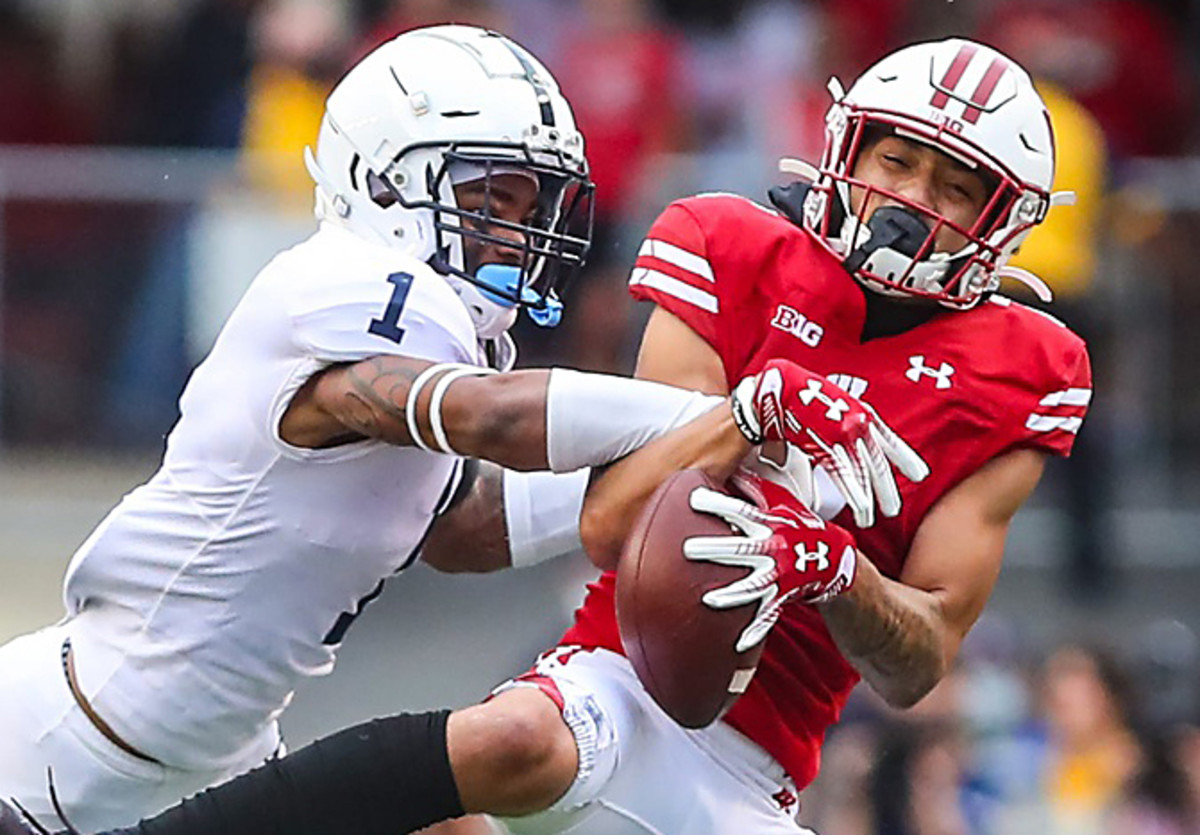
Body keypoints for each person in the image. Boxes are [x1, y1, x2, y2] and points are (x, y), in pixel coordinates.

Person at [4, 37, 1091, 835]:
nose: (914, 205)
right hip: (81, 733)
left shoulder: (1027, 366)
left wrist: (834, 567)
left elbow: (466, 532)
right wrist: (737, 416)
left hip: (216, 740)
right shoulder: (357, 288)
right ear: (389, 173)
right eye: (490, 194)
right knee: (513, 741)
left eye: (958, 188)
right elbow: (527, 452)